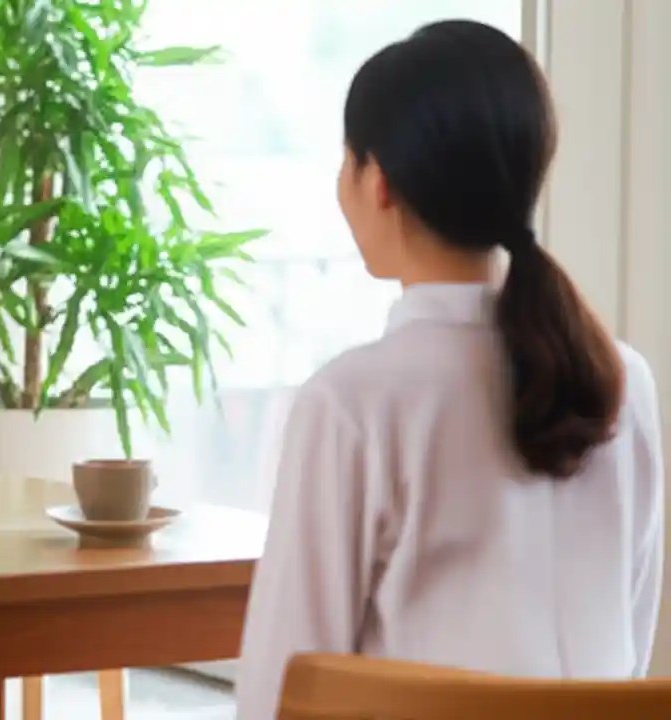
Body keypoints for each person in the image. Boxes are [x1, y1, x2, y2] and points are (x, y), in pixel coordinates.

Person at [235, 19, 664, 720]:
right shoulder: (626, 382)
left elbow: (282, 692)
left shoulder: (351, 403)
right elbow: (627, 649)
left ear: (377, 181)